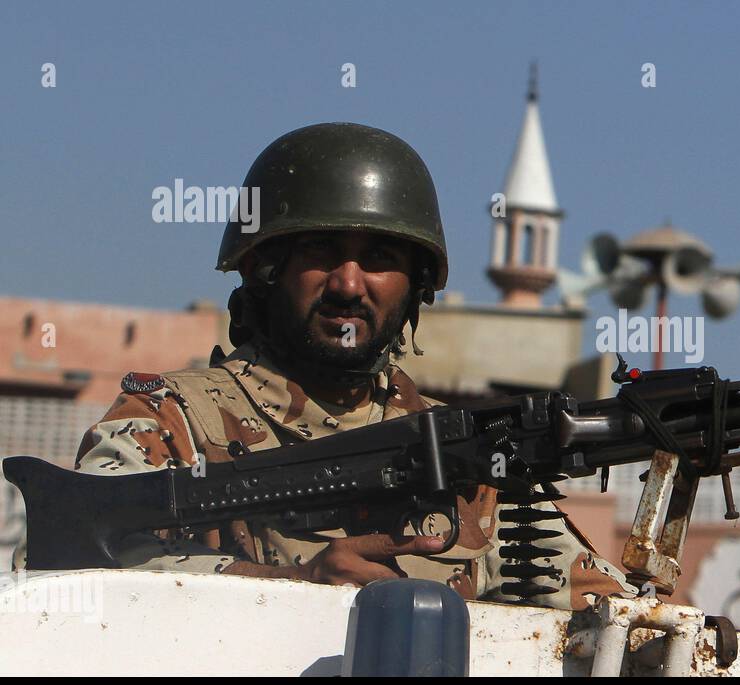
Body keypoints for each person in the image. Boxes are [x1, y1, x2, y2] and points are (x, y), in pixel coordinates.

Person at [15, 122, 631, 611]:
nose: (348, 284)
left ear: (415, 287)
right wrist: (292, 587)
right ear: (265, 268)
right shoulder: (171, 420)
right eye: (320, 251)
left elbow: (605, 616)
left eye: (380, 256)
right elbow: (77, 575)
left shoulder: (470, 459)